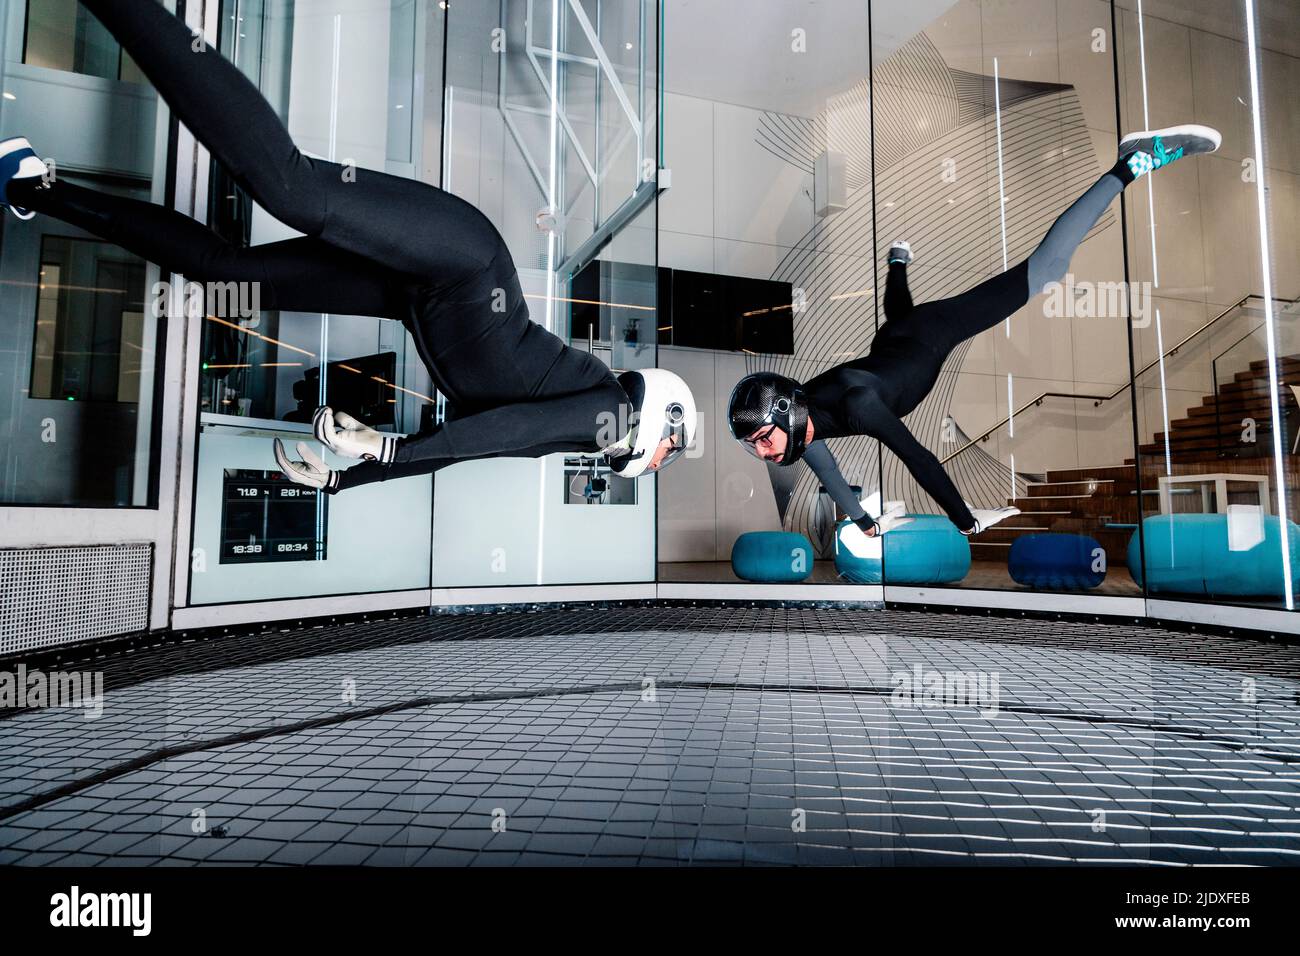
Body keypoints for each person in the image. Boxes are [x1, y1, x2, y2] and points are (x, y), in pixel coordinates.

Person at [0, 0, 696, 494]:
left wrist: (345, 478)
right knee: (291, 190)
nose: (663, 461)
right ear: (664, 415)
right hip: (463, 263)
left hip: (414, 297)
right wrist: (388, 447)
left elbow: (465, 449)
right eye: (676, 447)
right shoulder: (617, 415)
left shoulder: (583, 432)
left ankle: (35, 187)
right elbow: (500, 429)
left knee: (222, 276)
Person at [727, 125, 1222, 538]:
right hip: (895, 345)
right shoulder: (802, 420)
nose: (764, 453)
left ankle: (1128, 165)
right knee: (896, 321)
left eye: (763, 441)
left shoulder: (857, 404)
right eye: (756, 446)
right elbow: (830, 474)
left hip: (933, 334)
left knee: (1044, 270)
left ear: (787, 416)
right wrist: (863, 523)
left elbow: (918, 458)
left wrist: (965, 521)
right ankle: (897, 262)